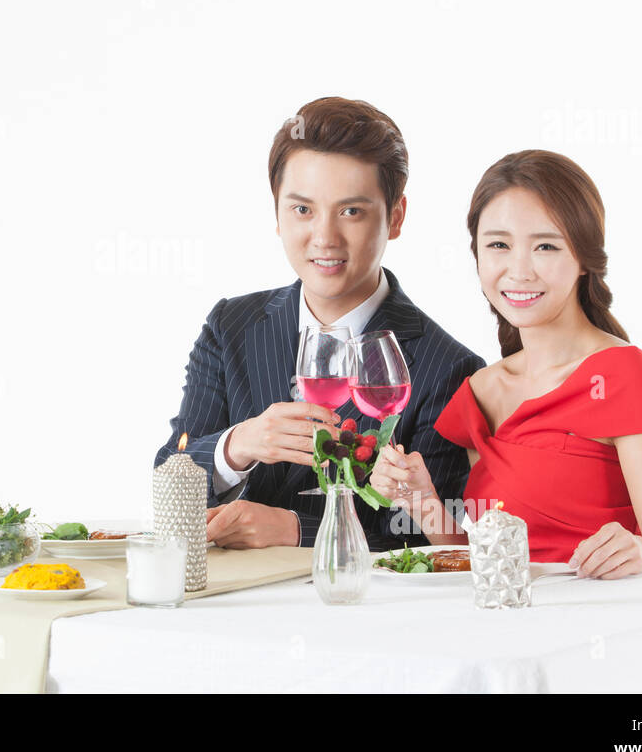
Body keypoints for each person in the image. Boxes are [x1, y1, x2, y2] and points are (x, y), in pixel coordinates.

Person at [154, 97, 484, 550]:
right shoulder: (231, 325)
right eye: (302, 210)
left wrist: (297, 531)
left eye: (351, 211)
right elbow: (169, 480)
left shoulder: (450, 367)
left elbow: (431, 543)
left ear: (397, 217)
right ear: (277, 212)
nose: (324, 238)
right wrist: (238, 445)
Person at [370, 150, 642, 578]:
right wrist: (423, 501)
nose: (519, 271)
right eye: (499, 245)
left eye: (545, 246)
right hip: (508, 624)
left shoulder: (619, 373)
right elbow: (491, 566)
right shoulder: (481, 390)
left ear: (583, 260)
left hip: (600, 620)